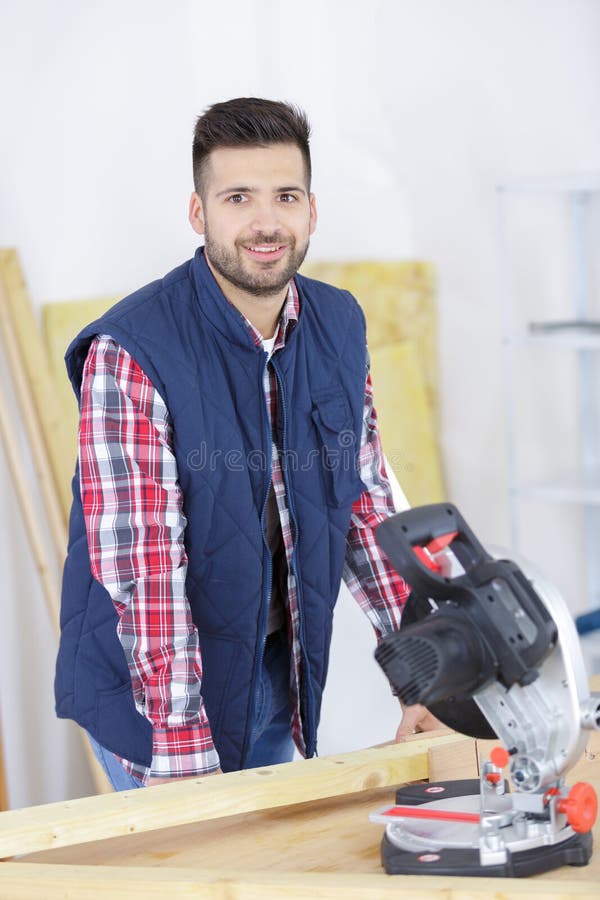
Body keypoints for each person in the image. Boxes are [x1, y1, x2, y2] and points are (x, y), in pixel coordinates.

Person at [55, 97, 440, 791]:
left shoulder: (338, 325)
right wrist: (183, 761)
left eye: (285, 196)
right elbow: (145, 570)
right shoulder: (131, 351)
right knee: (191, 858)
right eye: (238, 198)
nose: (266, 222)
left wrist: (423, 677)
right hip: (154, 698)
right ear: (198, 213)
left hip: (275, 674)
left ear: (311, 211)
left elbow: (364, 504)